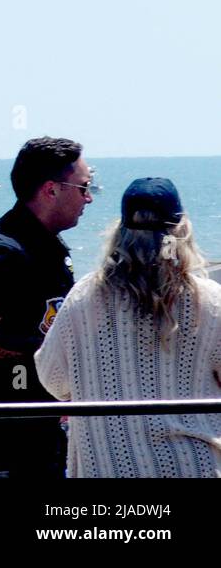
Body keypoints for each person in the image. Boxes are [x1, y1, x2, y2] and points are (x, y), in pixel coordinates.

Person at [36, 178, 221, 477]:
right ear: (182, 232)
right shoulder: (209, 301)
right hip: (194, 467)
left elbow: (54, 380)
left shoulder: (84, 296)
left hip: (107, 471)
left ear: (119, 234)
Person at [0, 136, 90, 478]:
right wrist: (54, 349)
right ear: (51, 189)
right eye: (83, 187)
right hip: (9, 429)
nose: (88, 197)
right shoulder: (3, 254)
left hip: (42, 422)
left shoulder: (48, 246)